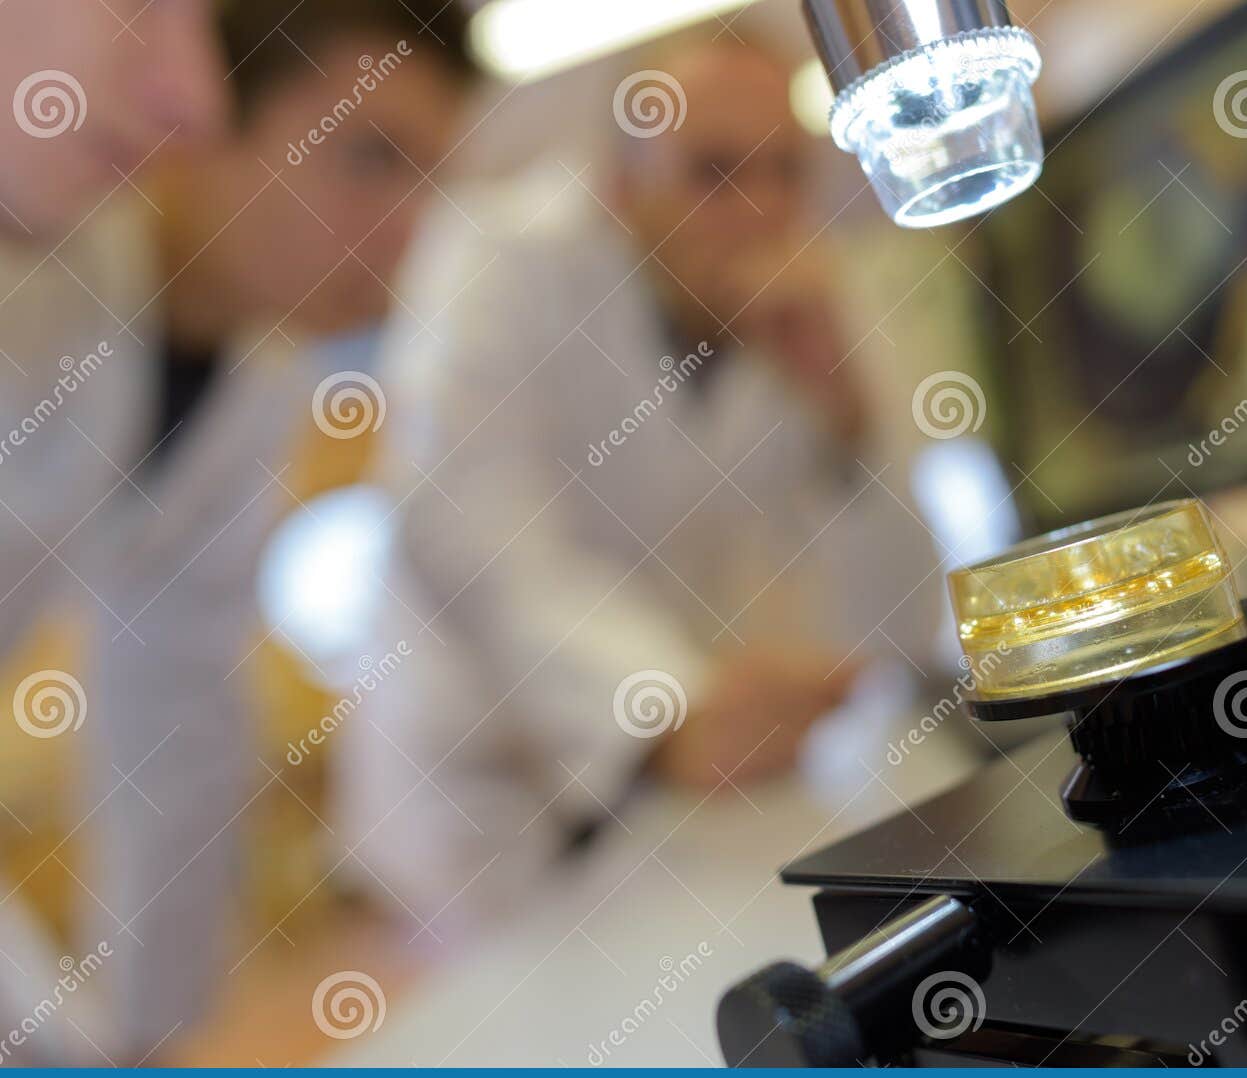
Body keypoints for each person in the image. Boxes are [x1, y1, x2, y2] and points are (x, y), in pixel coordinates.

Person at [339, 35, 948, 936]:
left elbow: (905, 622)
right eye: (714, 171)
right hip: (479, 789)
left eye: (786, 172)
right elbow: (471, 527)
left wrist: (849, 415)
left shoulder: (809, 313)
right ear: (620, 186)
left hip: (682, 791)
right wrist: (663, 706)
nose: (762, 210)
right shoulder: (496, 255)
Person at [0, 0, 477, 1061]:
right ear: (209, 125)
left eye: (430, 180)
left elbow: (176, 717)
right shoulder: (36, 279)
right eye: (369, 157)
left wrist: (148, 1052)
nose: (410, 227)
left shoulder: (255, 375)